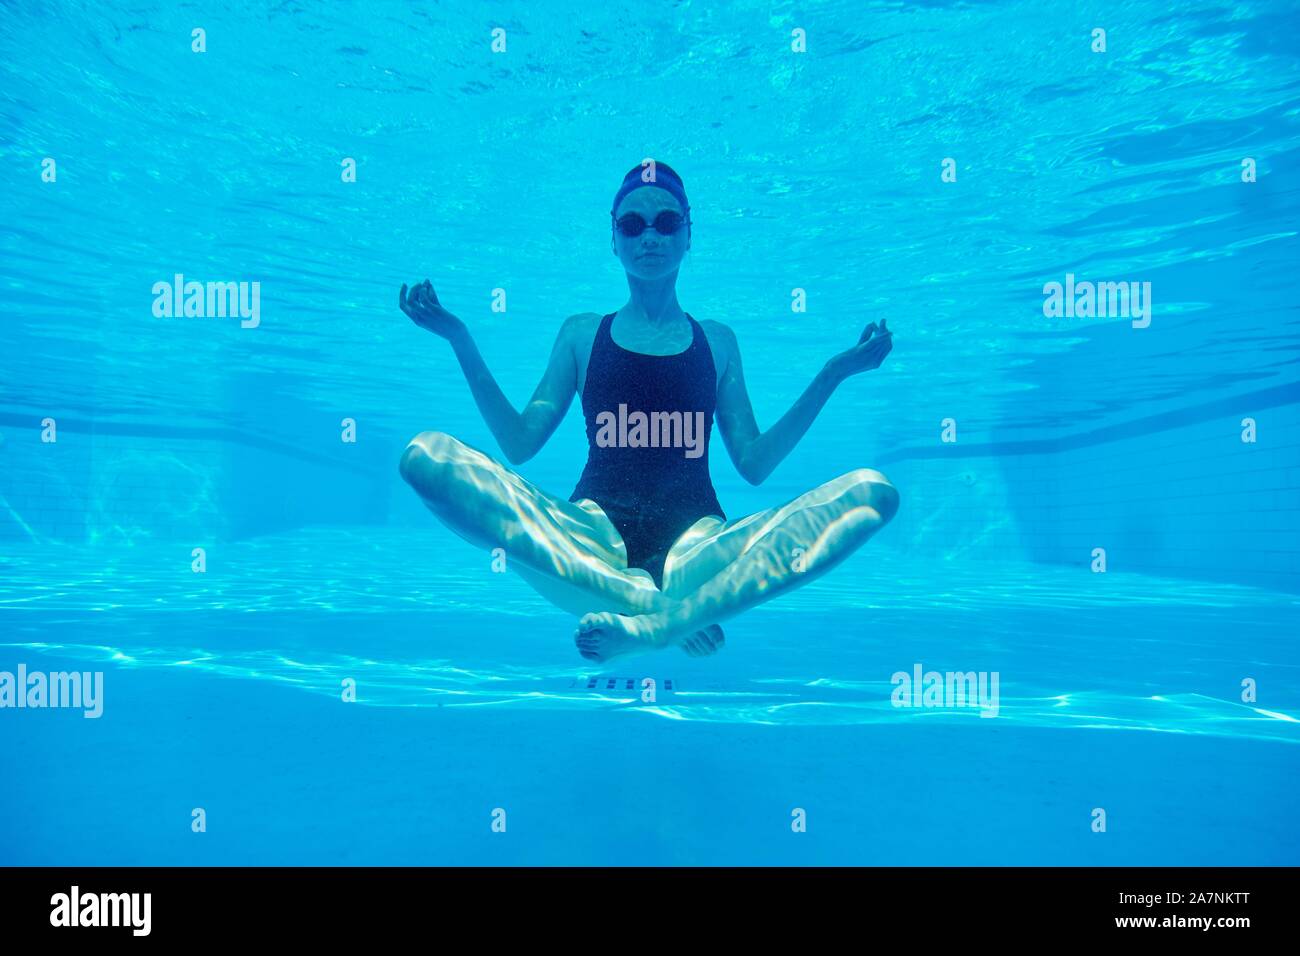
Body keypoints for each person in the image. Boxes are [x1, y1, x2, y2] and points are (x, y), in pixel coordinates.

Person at [399, 161, 898, 662]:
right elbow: (519, 443)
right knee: (425, 458)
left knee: (872, 494)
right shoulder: (580, 333)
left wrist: (833, 372)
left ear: (688, 234)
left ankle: (658, 625)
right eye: (633, 224)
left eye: (666, 222)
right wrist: (459, 338)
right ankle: (666, 614)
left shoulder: (718, 341)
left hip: (696, 545)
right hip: (589, 541)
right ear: (614, 238)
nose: (650, 236)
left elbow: (755, 462)